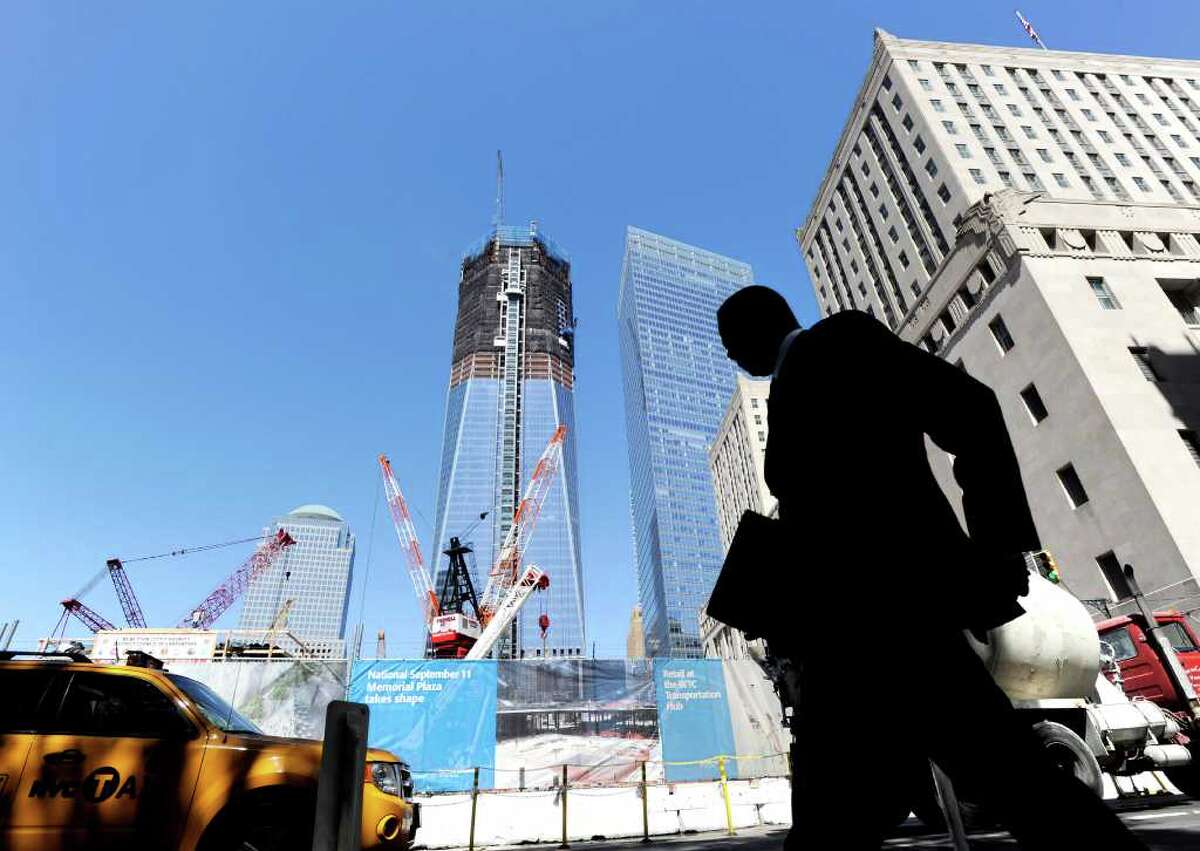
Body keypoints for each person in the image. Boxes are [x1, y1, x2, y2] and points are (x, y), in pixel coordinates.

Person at [714, 286, 1146, 850]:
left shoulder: (843, 339)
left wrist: (997, 546)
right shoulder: (788, 388)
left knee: (1007, 780)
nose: (729, 357)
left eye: (729, 342)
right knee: (971, 784)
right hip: (845, 633)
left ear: (756, 325)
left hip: (897, 615)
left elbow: (971, 408)